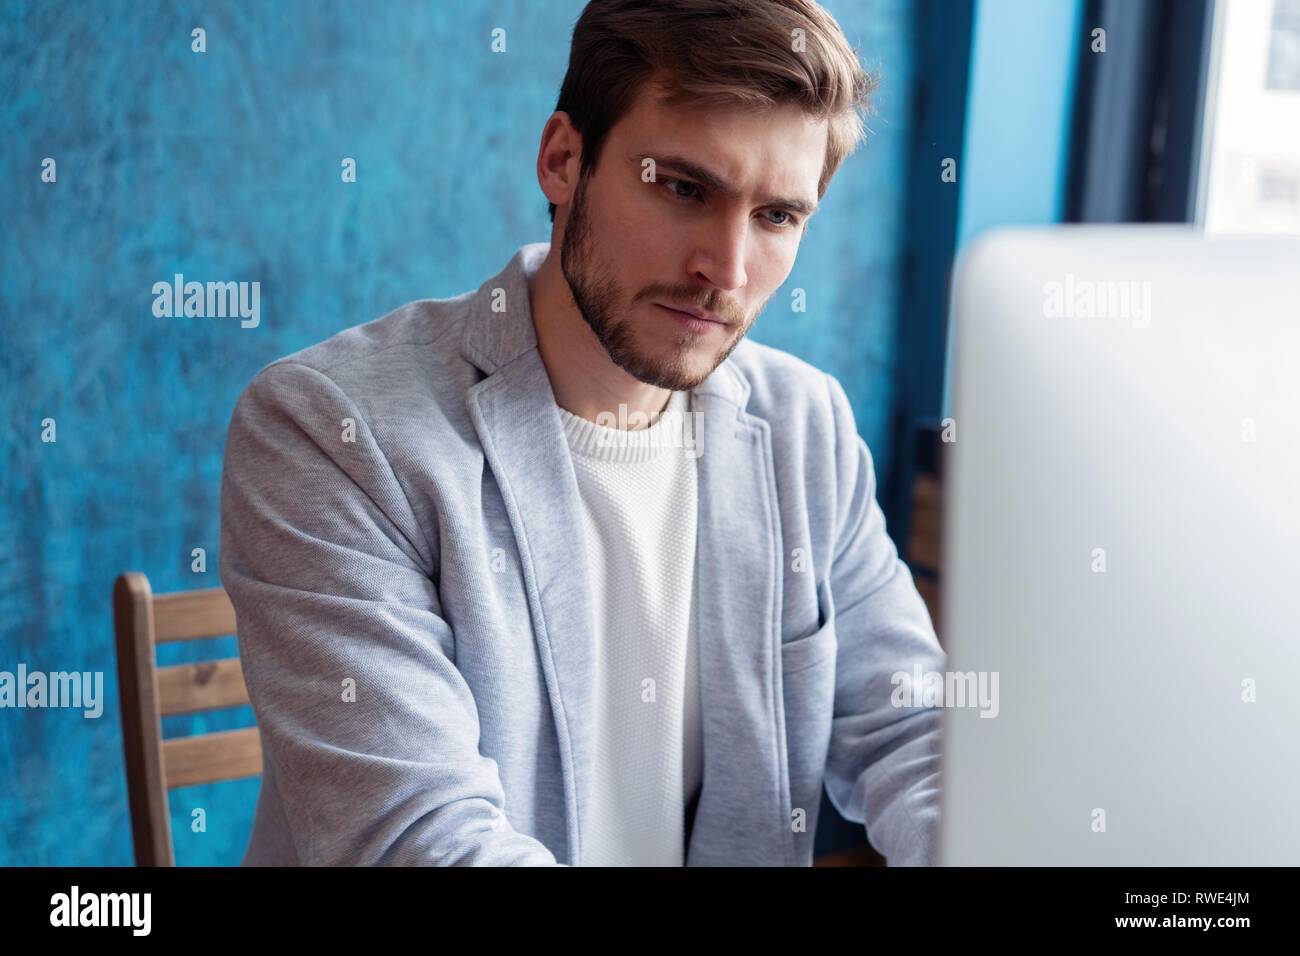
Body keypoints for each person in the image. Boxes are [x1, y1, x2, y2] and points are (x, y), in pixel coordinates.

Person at [220, 0, 945, 867]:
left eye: (777, 217)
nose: (729, 269)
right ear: (564, 160)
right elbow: (423, 844)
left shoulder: (804, 429)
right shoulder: (332, 430)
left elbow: (915, 732)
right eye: (683, 188)